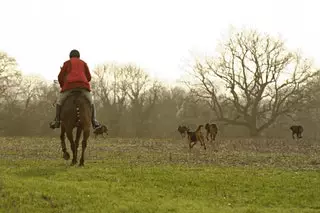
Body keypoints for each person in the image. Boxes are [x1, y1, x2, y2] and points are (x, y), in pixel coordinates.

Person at [49, 49, 101, 130]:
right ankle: (94, 121)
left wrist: (63, 86)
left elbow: (60, 77)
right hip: (83, 87)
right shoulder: (83, 63)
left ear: (70, 56)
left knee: (59, 102)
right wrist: (83, 81)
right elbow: (89, 77)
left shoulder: (66, 63)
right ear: (79, 56)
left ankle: (57, 121)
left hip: (69, 86)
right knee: (91, 102)